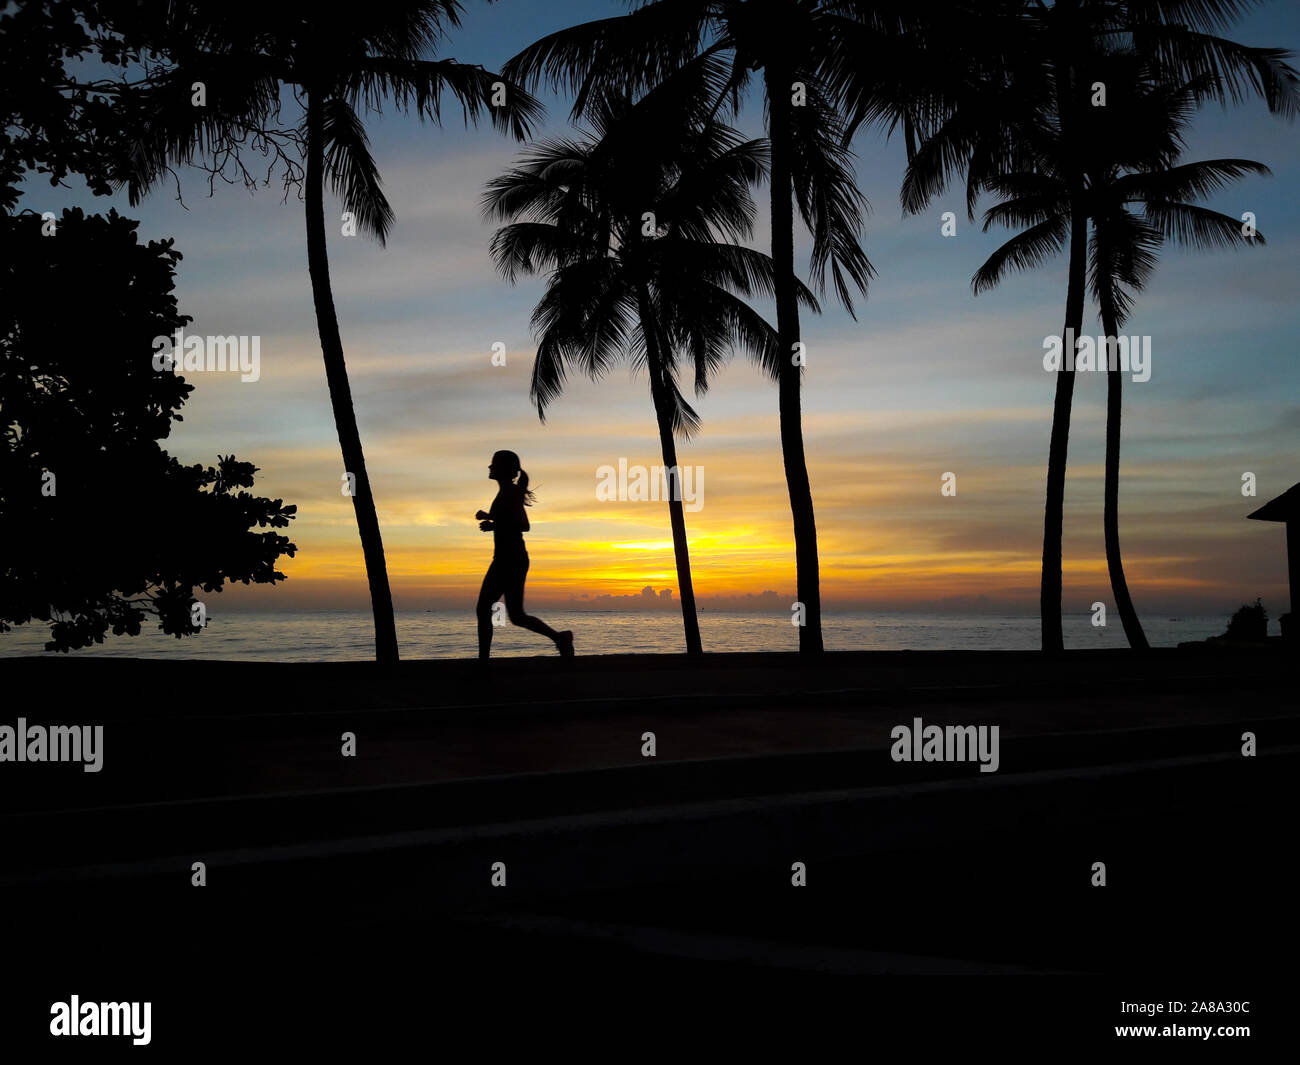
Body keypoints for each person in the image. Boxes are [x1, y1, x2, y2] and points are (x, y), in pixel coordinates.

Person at [475, 450, 574, 659]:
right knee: (516, 616)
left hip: (509, 559)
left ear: (503, 469)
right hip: (510, 558)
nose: (489, 467)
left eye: (493, 464)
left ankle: (483, 661)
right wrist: (492, 521)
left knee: (484, 608)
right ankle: (560, 638)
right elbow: (510, 519)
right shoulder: (507, 492)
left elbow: (523, 525)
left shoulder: (510, 492)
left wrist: (492, 519)